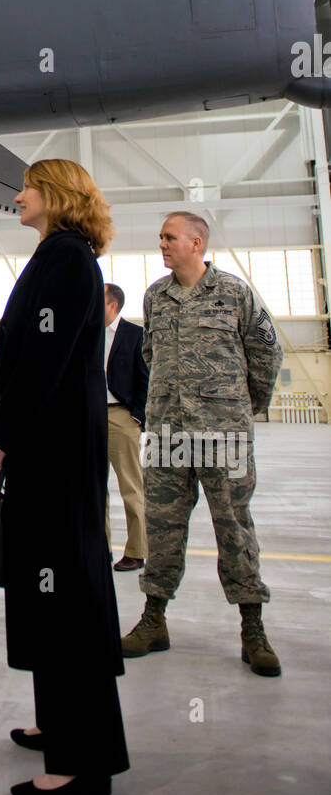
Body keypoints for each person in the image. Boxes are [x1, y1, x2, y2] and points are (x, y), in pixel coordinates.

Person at [0, 159, 128, 795]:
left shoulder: (68, 260)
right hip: (51, 454)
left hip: (56, 457)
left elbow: (41, 362)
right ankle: (57, 724)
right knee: (50, 591)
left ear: (55, 194)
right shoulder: (59, 256)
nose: (18, 196)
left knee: (67, 597)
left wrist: (6, 429)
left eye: (28, 186)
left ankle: (82, 761)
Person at [121, 212, 283, 676]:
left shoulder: (234, 292)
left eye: (170, 238)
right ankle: (154, 620)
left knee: (234, 529)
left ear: (196, 243)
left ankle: (253, 629)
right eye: (160, 238)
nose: (163, 245)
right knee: (164, 528)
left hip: (224, 434)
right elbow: (150, 355)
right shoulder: (156, 296)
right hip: (167, 433)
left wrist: (245, 405)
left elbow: (266, 351)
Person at [103, 282, 149, 571]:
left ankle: (136, 551)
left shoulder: (135, 335)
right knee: (94, 490)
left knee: (131, 487)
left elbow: (146, 378)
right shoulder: (86, 335)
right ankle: (100, 549)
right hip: (90, 418)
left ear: (112, 306)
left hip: (121, 417)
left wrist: (137, 417)